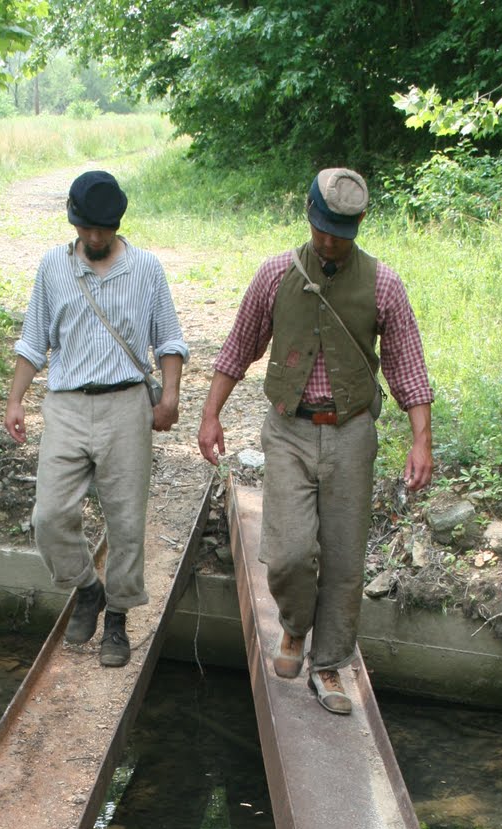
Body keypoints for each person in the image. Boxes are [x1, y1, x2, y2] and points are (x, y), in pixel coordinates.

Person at [198, 168, 433, 715]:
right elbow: (239, 348)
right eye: (324, 229)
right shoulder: (276, 274)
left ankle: (328, 665)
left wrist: (421, 441)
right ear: (308, 215)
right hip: (289, 429)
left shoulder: (384, 285)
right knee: (288, 554)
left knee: (346, 560)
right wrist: (211, 414)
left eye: (342, 233)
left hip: (351, 432)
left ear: (359, 225)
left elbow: (409, 370)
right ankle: (294, 628)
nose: (331, 242)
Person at [5, 170, 189, 667]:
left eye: (103, 230)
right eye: (86, 228)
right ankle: (88, 589)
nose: (94, 238)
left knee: (126, 522)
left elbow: (169, 341)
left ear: (117, 224)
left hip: (126, 404)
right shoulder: (52, 266)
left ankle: (118, 620)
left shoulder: (147, 269)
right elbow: (32, 340)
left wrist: (168, 395)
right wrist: (16, 399)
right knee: (49, 517)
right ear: (74, 221)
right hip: (66, 405)